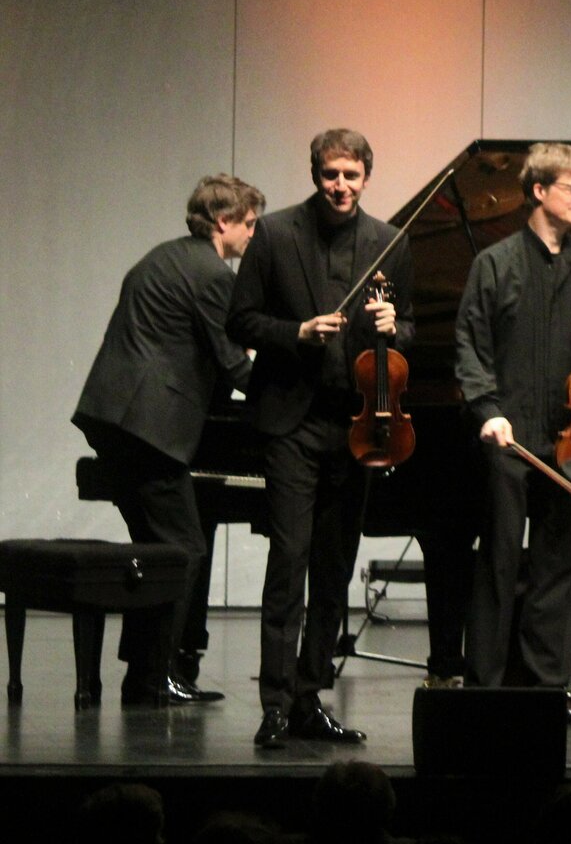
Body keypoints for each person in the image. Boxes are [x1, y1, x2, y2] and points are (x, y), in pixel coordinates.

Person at [228, 128, 413, 748]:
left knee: (334, 570)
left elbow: (413, 328)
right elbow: (240, 320)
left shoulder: (391, 242)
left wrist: (395, 326)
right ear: (316, 174)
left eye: (350, 175)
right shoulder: (274, 233)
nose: (340, 185)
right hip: (292, 423)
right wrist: (297, 333)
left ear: (366, 177)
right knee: (289, 563)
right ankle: (276, 705)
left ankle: (310, 698)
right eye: (331, 174)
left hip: (358, 426)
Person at [72, 174, 265, 706]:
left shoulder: (164, 256)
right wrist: (289, 389)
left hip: (114, 416)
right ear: (223, 221)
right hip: (147, 425)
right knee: (184, 549)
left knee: (155, 551)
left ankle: (145, 674)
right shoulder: (212, 274)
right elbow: (233, 365)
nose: (253, 234)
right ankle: (156, 677)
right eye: (249, 224)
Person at [453, 143, 571, 725]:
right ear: (539, 191)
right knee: (498, 565)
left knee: (556, 568)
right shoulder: (494, 263)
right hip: (508, 436)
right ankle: (484, 690)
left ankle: (550, 692)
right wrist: (486, 410)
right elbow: (469, 344)